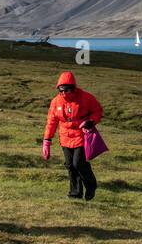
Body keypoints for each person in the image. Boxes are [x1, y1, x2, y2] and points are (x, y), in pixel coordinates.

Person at [42, 70, 103, 200]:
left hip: (81, 135)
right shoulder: (55, 102)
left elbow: (97, 111)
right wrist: (47, 140)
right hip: (64, 137)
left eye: (66, 90)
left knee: (78, 163)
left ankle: (91, 185)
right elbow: (51, 122)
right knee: (70, 165)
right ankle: (75, 193)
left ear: (73, 88)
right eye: (61, 90)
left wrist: (90, 122)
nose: (63, 93)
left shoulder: (86, 98)